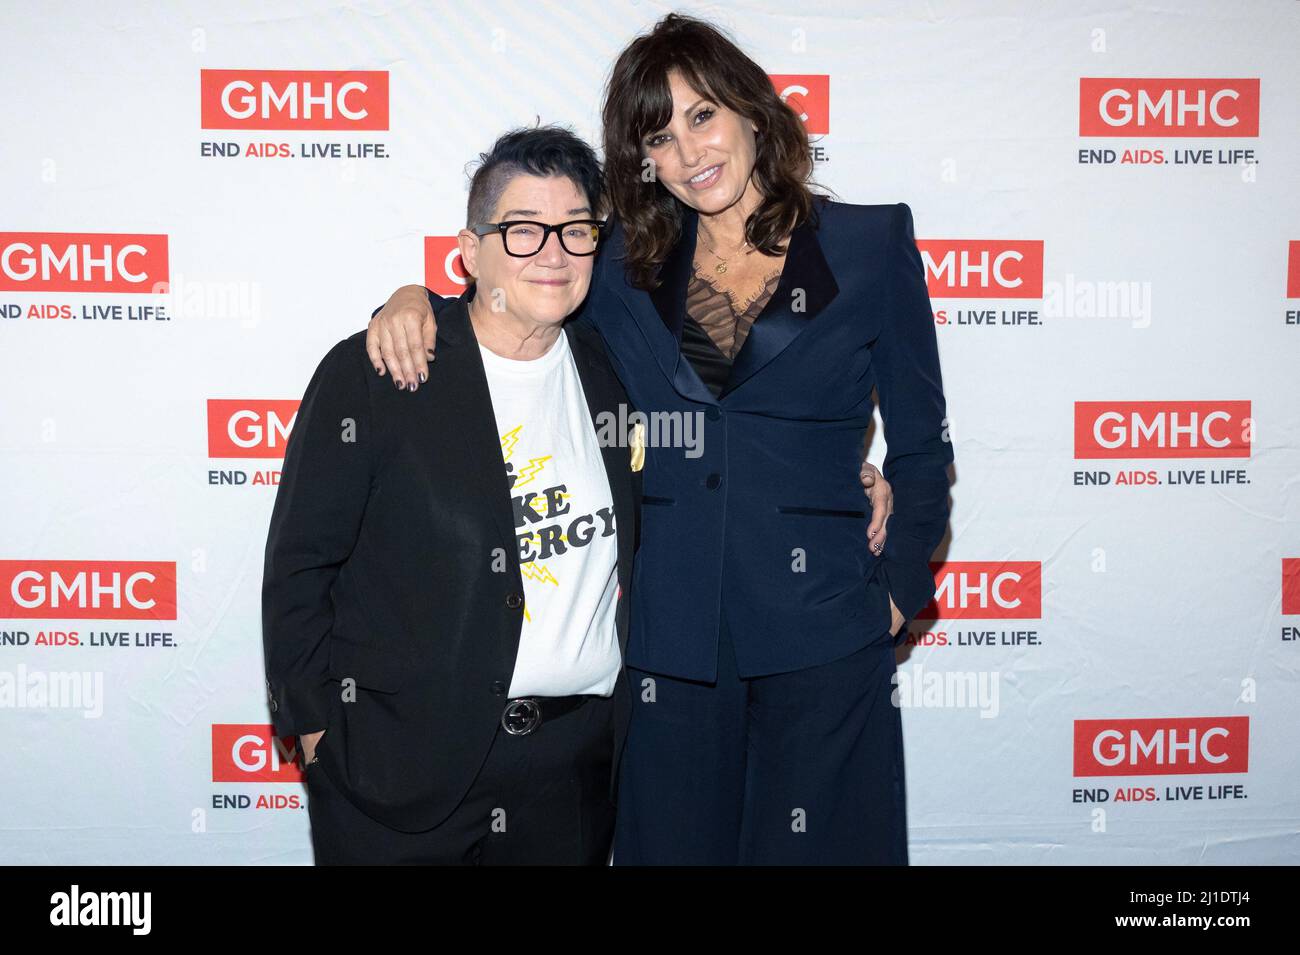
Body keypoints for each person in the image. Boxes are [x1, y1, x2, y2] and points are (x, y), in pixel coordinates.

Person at [363, 12, 952, 864]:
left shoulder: (865, 245)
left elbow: (924, 443)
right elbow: (511, 299)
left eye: (702, 116)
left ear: (753, 112)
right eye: (659, 138)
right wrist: (409, 300)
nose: (688, 152)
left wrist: (895, 593)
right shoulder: (623, 267)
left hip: (824, 635)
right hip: (668, 647)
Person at [261, 126, 641, 864]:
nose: (554, 253)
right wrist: (315, 736)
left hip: (570, 778)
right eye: (524, 230)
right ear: (470, 251)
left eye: (575, 230)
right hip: (397, 773)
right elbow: (300, 567)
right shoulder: (382, 369)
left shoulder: (614, 370)